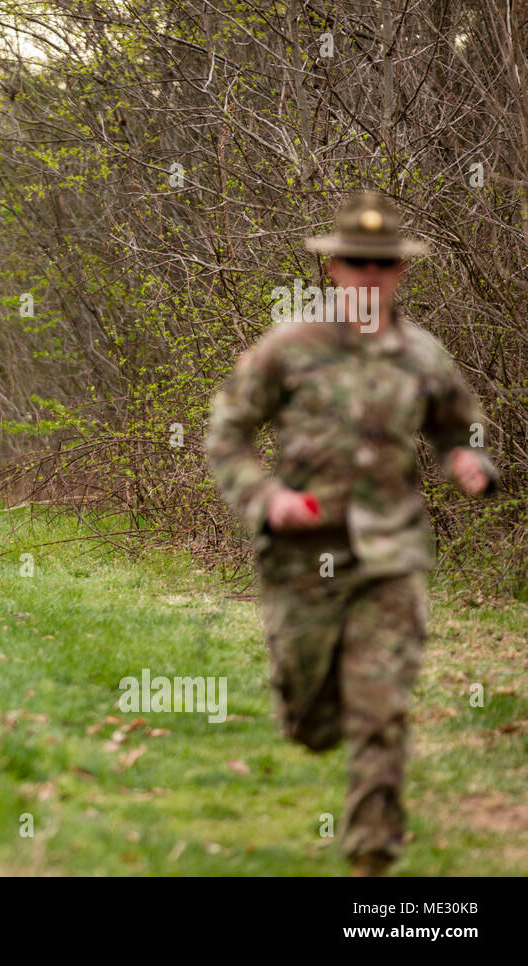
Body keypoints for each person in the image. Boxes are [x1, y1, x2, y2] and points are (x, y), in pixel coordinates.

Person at [206, 190, 499, 876]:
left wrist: (468, 458)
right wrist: (266, 495)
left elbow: (463, 425)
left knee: (382, 710)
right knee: (313, 722)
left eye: (383, 265)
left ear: (400, 272)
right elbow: (227, 436)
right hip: (303, 557)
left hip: (391, 553)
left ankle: (371, 865)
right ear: (334, 269)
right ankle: (305, 708)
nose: (370, 276)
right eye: (357, 263)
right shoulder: (290, 347)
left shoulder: (422, 354)